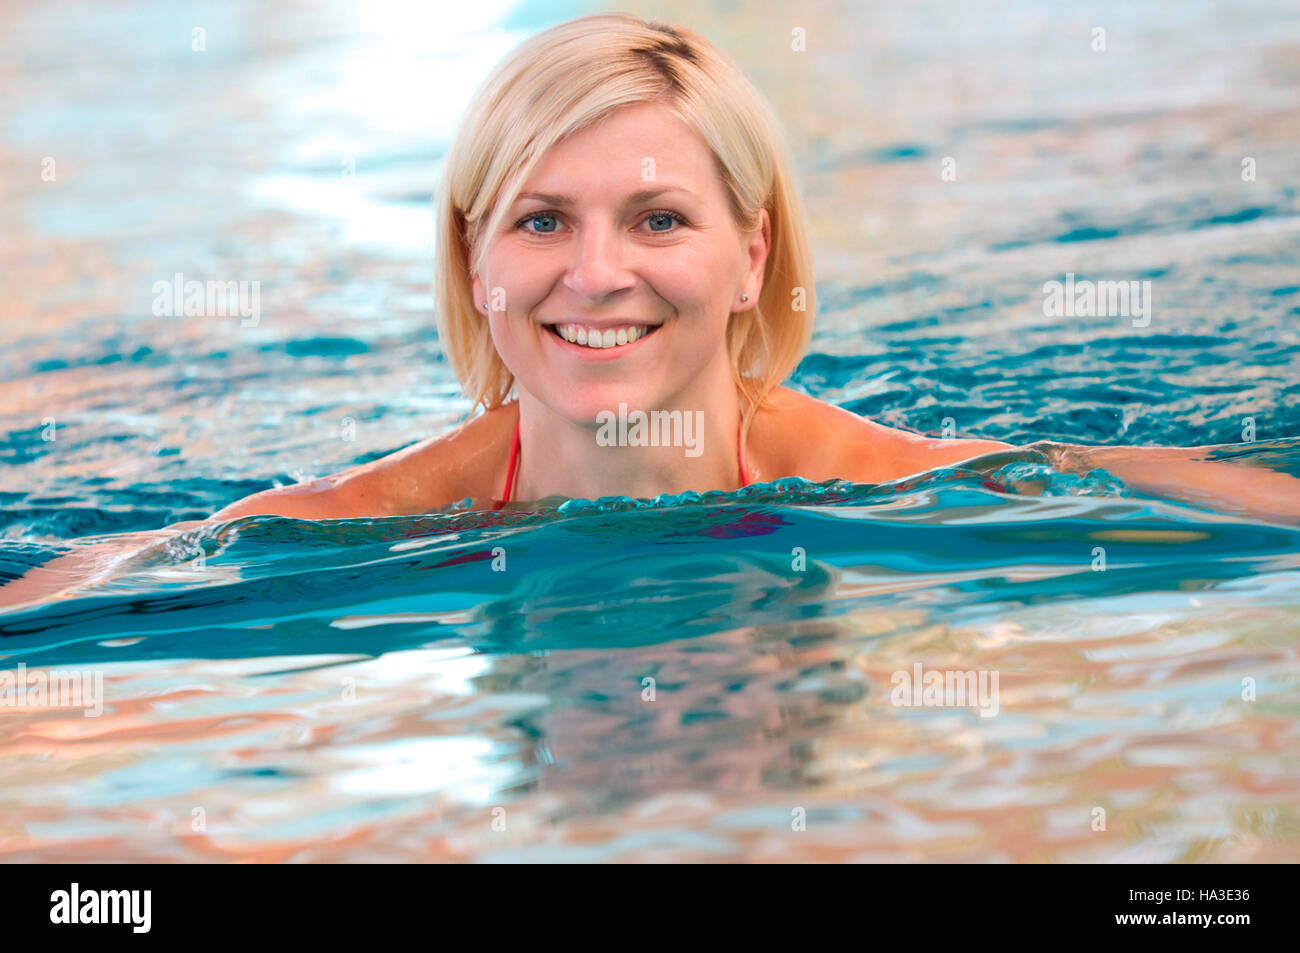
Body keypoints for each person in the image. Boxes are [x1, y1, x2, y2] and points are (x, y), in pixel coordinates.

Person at [1, 14, 1296, 610]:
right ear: (476, 262)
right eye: (542, 219)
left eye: (659, 218)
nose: (596, 272)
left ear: (752, 254)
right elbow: (139, 563)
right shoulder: (370, 519)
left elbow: (1123, 476)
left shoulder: (873, 481)